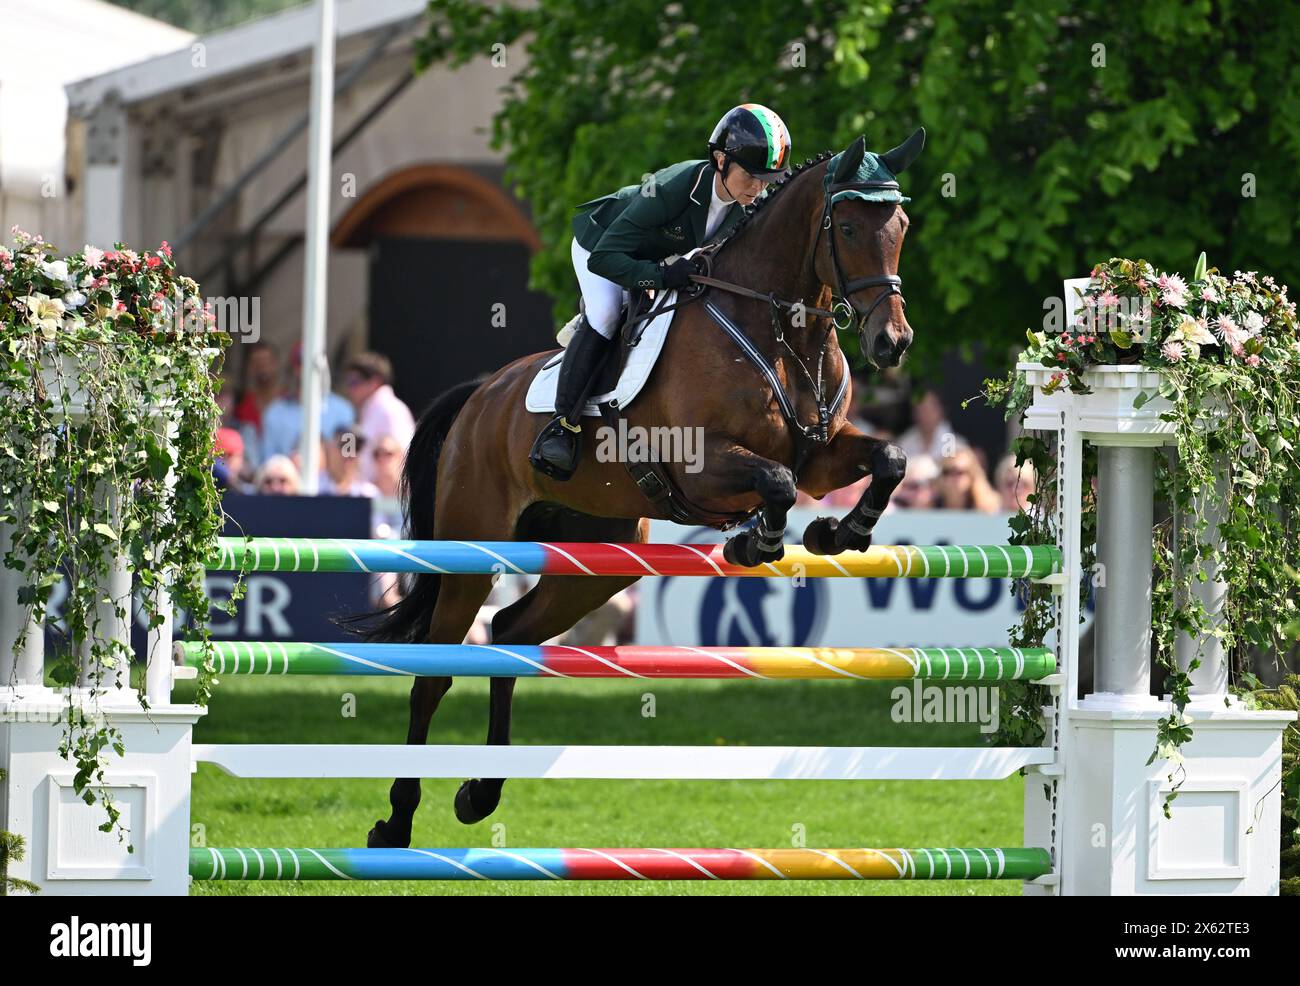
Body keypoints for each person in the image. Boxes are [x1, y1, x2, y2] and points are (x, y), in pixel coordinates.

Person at [530, 104, 793, 480]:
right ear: (720, 160)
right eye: (752, 175)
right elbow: (605, 258)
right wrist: (659, 277)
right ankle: (562, 427)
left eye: (767, 179)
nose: (759, 187)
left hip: (660, 260)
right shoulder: (673, 188)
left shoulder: (750, 204)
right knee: (606, 313)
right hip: (601, 246)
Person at [260, 342, 356, 463]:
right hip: (289, 479)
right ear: (291, 369)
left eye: (311, 364)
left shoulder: (343, 410)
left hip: (330, 480)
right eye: (300, 363)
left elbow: (349, 457)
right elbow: (268, 460)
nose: (304, 371)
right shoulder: (275, 412)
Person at [342, 352, 415, 484]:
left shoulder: (391, 410)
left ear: (374, 382)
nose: (349, 389)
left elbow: (402, 462)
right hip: (368, 495)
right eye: (348, 382)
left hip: (389, 499)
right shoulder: (366, 411)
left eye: (354, 382)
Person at [897, 389, 969, 463]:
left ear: (941, 410)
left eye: (928, 409)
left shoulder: (957, 446)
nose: (924, 415)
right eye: (919, 410)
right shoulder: (905, 442)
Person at [936, 447, 1001, 512]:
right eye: (947, 472)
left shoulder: (987, 508)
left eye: (958, 472)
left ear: (972, 475)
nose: (951, 477)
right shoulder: (931, 505)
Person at [321, 427, 381, 498]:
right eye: (345, 447)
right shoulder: (312, 488)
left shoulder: (370, 494)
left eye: (356, 448)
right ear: (330, 449)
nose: (350, 454)